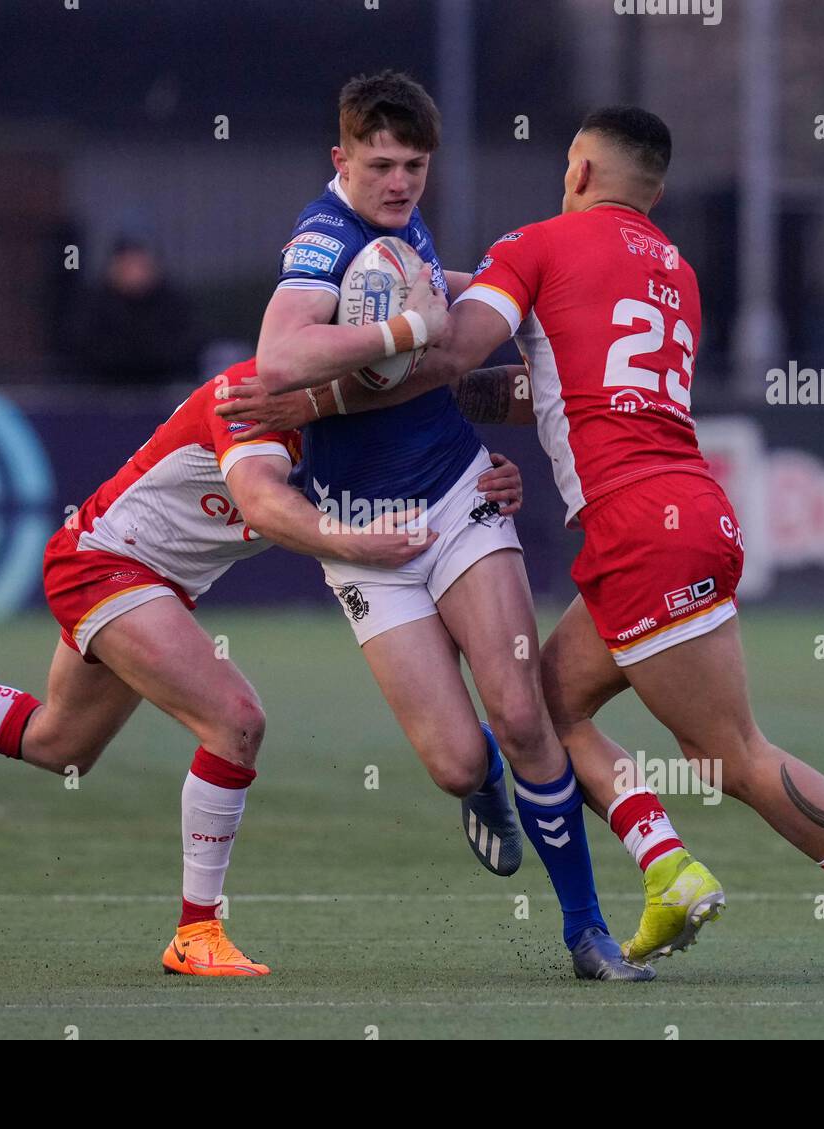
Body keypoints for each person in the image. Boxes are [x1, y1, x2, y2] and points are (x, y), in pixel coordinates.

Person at [222, 106, 824, 979]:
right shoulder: (675, 274)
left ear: (577, 172)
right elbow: (540, 389)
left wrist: (316, 395)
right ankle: (665, 864)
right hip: (692, 512)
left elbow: (448, 356)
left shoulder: (540, 245)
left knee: (731, 755)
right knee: (545, 706)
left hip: (639, 529)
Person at [0, 358, 522, 978]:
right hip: (105, 565)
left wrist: (485, 477)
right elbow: (267, 508)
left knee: (59, 743)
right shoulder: (251, 395)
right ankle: (195, 932)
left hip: (147, 579)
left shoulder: (351, 408)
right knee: (236, 720)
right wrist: (363, 541)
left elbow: (449, 421)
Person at [251, 71, 650, 981]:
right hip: (360, 528)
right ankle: (482, 789)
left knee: (519, 709)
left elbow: (452, 306)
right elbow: (280, 357)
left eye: (415, 166)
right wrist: (404, 328)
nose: (399, 183)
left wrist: (524, 298)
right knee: (453, 756)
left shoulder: (404, 225)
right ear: (340, 159)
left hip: (457, 494)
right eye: (381, 164)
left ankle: (586, 932)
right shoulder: (323, 239)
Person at [73, 237, 198, 384]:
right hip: (102, 389)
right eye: (127, 267)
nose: (135, 273)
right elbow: (84, 349)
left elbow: (185, 347)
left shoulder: (173, 305)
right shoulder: (93, 306)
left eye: (140, 266)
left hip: (163, 387)